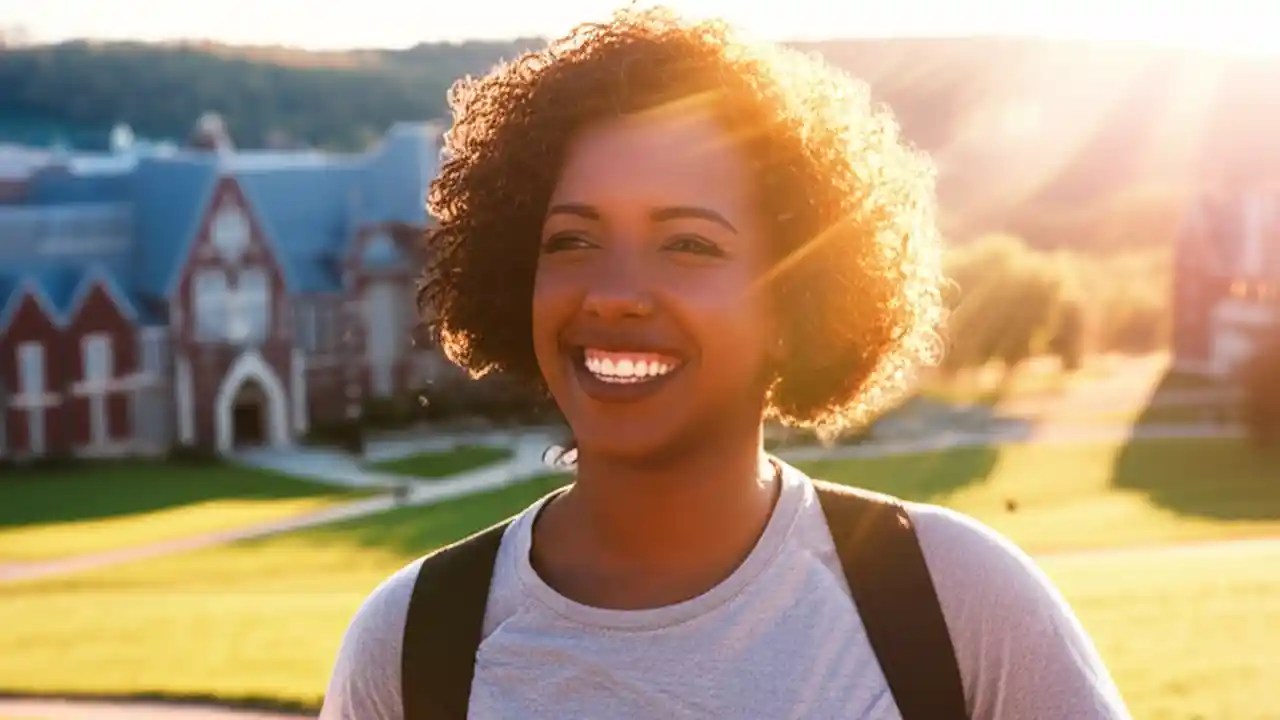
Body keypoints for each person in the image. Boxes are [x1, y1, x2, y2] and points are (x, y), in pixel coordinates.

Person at [320, 7, 1129, 719]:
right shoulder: (412, 646)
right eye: (572, 240)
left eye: (689, 244)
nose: (613, 294)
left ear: (795, 300)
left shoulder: (956, 604)